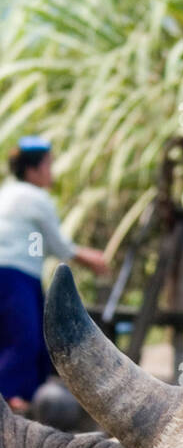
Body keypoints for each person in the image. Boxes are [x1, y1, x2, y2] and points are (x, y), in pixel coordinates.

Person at [0, 137, 108, 412]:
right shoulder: (36, 198)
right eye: (48, 165)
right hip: (15, 275)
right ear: (32, 170)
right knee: (27, 340)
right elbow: (59, 246)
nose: (52, 171)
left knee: (18, 338)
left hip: (19, 274)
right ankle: (9, 400)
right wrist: (92, 259)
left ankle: (16, 400)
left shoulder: (7, 193)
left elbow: (45, 243)